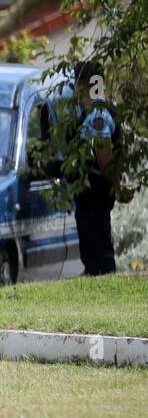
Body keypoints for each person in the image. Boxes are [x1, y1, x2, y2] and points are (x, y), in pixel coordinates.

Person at [72, 61, 119, 276]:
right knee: (93, 247)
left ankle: (103, 279)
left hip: (96, 193)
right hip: (91, 195)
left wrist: (118, 187)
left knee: (99, 250)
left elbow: (104, 159)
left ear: (82, 84)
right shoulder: (91, 110)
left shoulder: (97, 115)